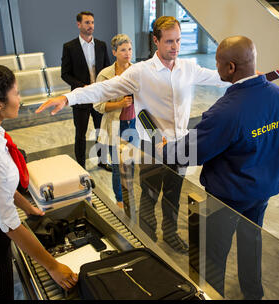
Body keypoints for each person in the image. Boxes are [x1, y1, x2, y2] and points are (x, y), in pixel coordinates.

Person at [36, 16, 230, 253]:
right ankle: (149, 241)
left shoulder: (188, 68)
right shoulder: (140, 72)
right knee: (149, 196)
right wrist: (68, 97)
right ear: (155, 41)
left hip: (180, 146)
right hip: (151, 146)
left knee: (173, 194)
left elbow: (220, 78)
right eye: (169, 41)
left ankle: (170, 235)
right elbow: (103, 88)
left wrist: (256, 75)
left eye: (178, 40)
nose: (175, 46)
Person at [161, 36, 279, 299]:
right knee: (251, 239)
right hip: (262, 190)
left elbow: (191, 151)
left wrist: (164, 150)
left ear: (231, 68)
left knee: (212, 255)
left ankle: (213, 296)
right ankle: (253, 292)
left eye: (218, 63)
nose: (217, 67)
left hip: (228, 196)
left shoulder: (227, 111)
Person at [0, 64, 77, 300]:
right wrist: (52, 266)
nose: (20, 100)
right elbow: (10, 224)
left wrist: (28, 208)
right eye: (16, 93)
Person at [93, 34, 138, 210]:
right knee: (118, 167)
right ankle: (120, 201)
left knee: (132, 164)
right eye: (123, 50)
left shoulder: (137, 71)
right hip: (115, 126)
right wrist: (120, 104)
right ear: (114, 52)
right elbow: (98, 105)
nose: (127, 53)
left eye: (129, 49)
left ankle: (131, 197)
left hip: (134, 124)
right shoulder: (105, 75)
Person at [61, 11, 111, 171]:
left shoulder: (101, 45)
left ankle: (102, 161)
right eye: (87, 22)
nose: (91, 26)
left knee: (100, 132)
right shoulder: (69, 47)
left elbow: (107, 70)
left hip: (98, 97)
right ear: (79, 24)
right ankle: (81, 166)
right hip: (81, 97)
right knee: (80, 134)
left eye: (92, 22)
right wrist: (82, 87)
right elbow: (65, 73)